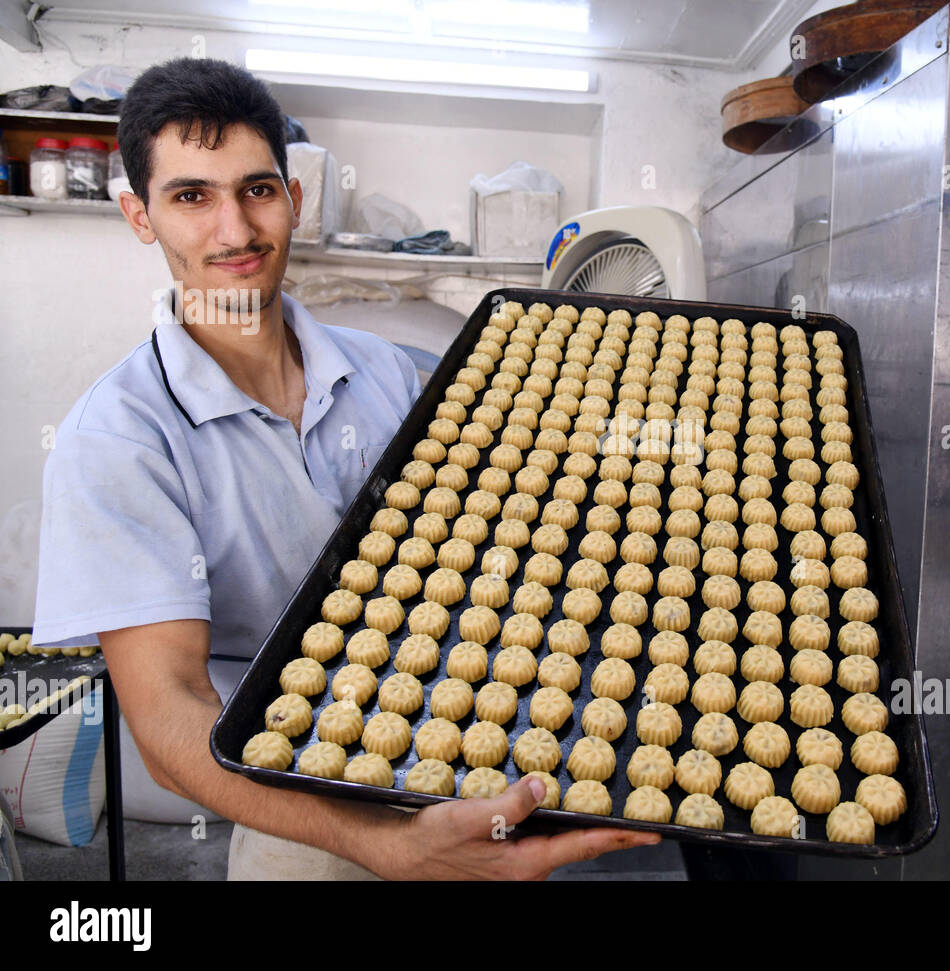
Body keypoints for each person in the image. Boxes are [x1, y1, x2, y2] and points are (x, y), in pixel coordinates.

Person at [30, 58, 659, 879]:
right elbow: (169, 722)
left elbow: (532, 485)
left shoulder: (392, 374)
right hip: (308, 811)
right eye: (192, 197)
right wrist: (386, 845)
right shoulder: (117, 438)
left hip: (478, 755)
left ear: (294, 199)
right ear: (139, 216)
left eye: (257, 190)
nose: (234, 231)